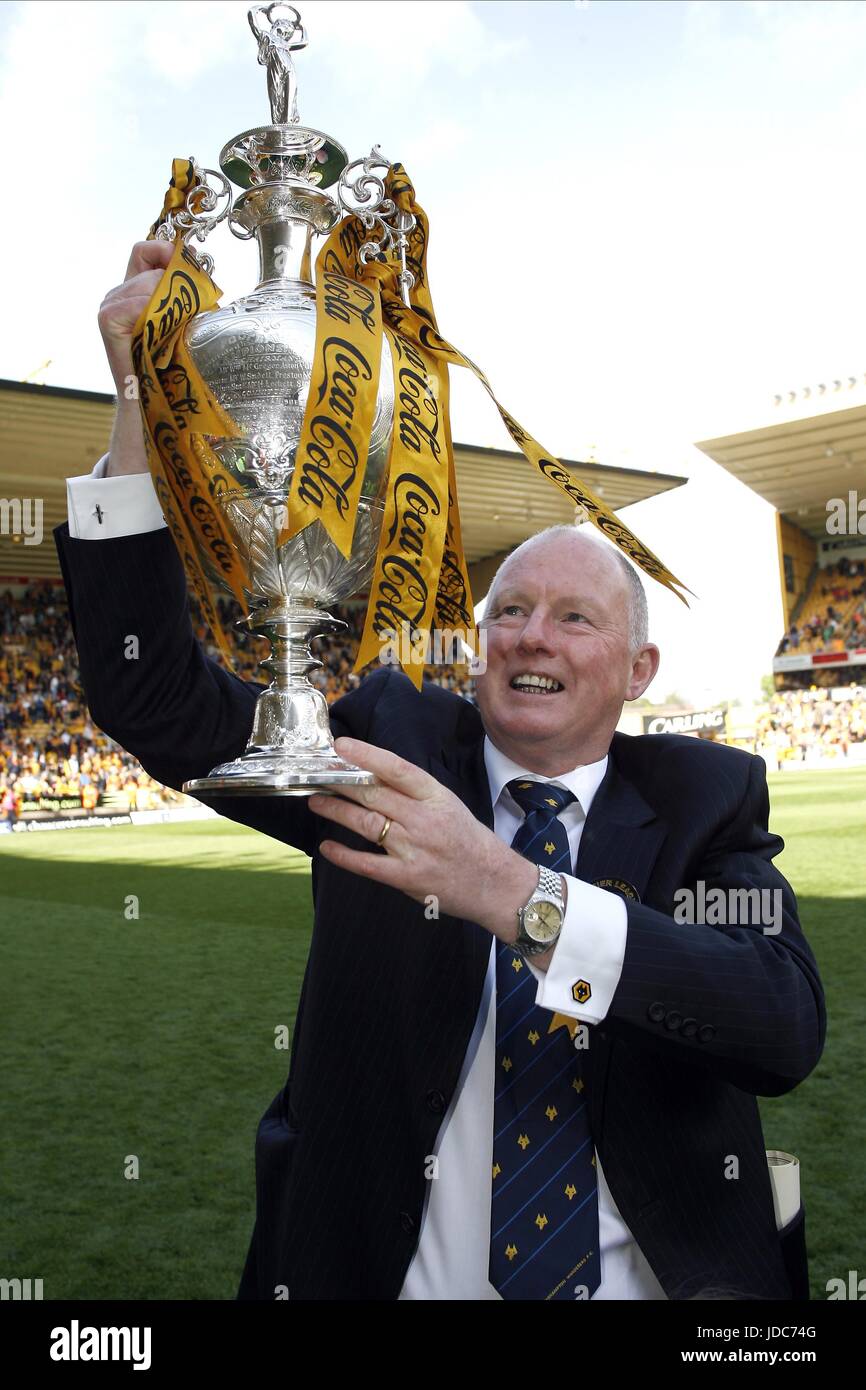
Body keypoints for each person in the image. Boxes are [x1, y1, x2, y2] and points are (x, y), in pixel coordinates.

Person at [53, 240, 825, 1301]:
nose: (531, 635)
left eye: (573, 617)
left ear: (639, 669)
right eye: (509, 611)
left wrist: (514, 892)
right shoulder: (392, 754)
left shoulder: (703, 800)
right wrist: (140, 397)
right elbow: (160, 703)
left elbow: (779, 1027)